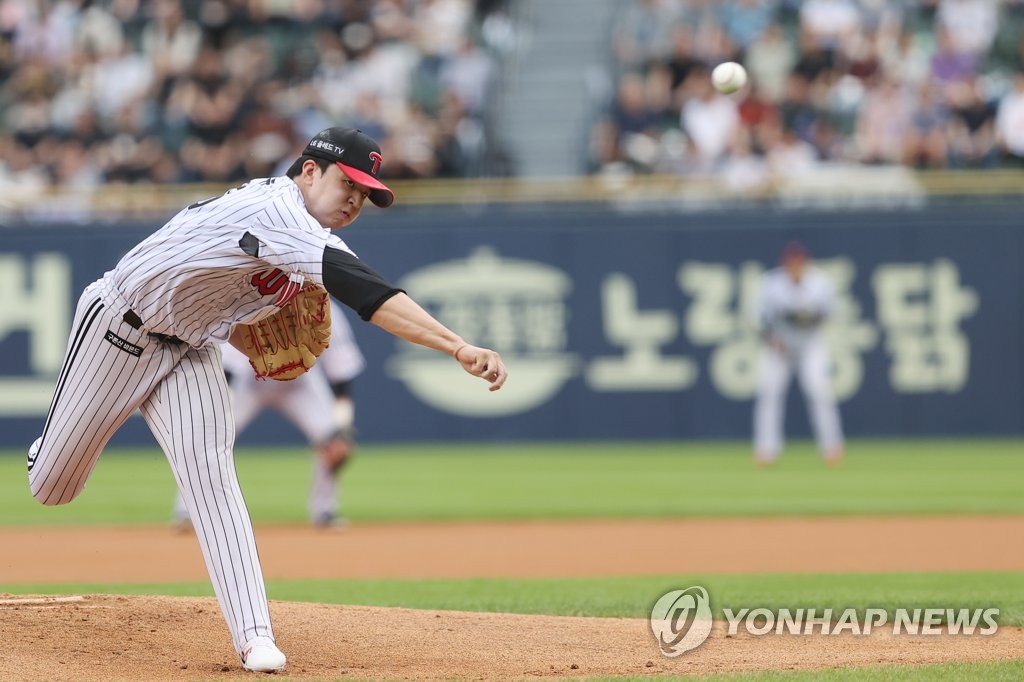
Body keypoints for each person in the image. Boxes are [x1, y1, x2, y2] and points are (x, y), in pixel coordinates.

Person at [26, 127, 507, 674]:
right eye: (347, 182)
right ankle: (52, 445)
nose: (355, 199)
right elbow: (370, 295)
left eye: (366, 193)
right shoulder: (280, 215)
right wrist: (457, 345)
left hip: (191, 347)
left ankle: (255, 637)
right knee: (52, 488)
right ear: (308, 171)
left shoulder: (310, 238)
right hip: (118, 327)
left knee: (213, 480)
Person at [171, 300, 364, 531]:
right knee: (211, 438)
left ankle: (325, 510)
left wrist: (341, 428)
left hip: (300, 383)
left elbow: (341, 371)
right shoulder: (255, 301)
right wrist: (220, 416)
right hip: (250, 380)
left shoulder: (322, 307)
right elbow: (230, 368)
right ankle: (187, 510)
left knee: (332, 439)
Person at [752, 241, 843, 467]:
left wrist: (809, 320)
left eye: (799, 263)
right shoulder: (771, 283)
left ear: (805, 263)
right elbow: (756, 319)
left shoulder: (820, 283)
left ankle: (832, 447)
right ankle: (766, 450)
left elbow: (832, 313)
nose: (795, 267)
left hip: (810, 345)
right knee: (769, 394)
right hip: (779, 347)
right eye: (791, 263)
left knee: (820, 393)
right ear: (785, 264)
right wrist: (771, 339)